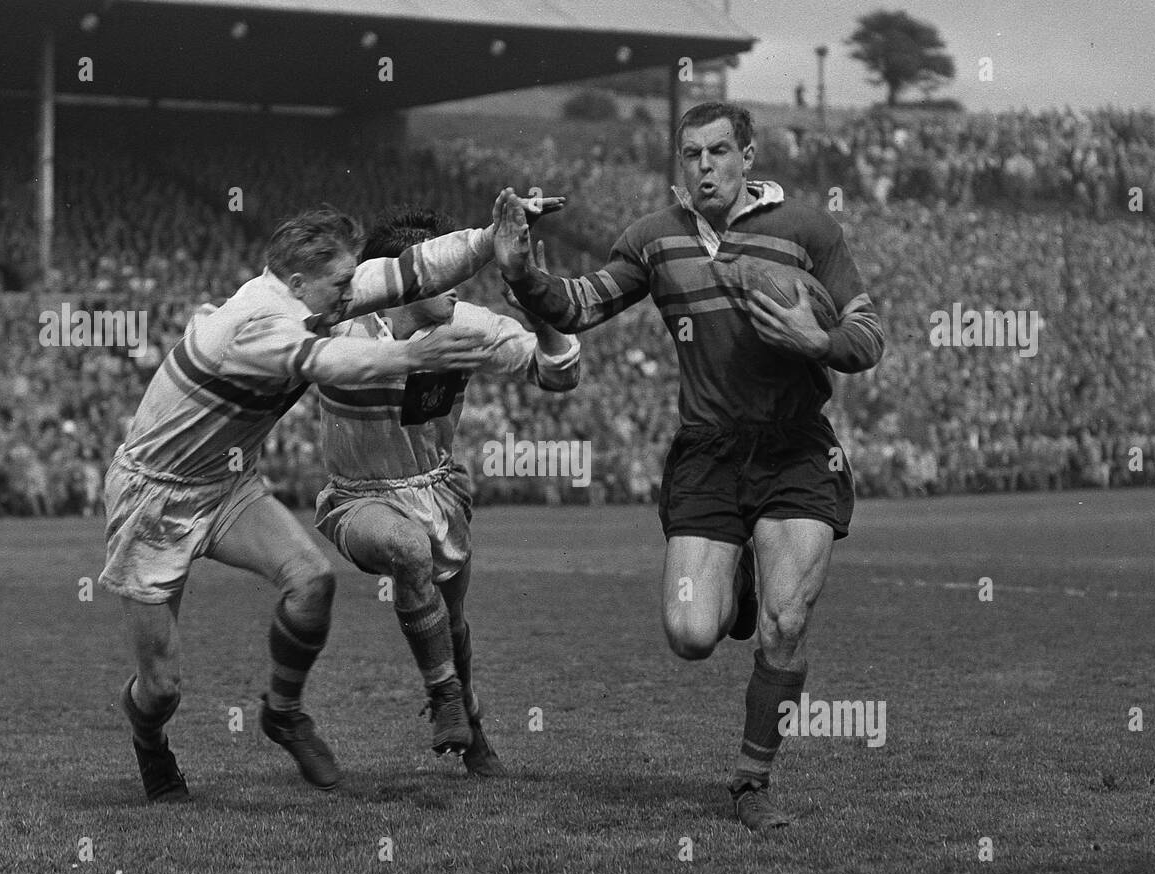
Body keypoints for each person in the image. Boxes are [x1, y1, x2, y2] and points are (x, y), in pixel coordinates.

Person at [494, 103, 885, 832]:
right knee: (690, 634)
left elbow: (867, 335)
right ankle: (734, 575)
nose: (703, 166)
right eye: (690, 155)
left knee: (786, 620)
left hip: (797, 447)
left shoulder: (808, 230)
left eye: (717, 152)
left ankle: (750, 782)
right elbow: (578, 305)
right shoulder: (654, 240)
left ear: (747, 155)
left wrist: (816, 338)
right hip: (707, 452)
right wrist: (522, 273)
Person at [100, 190, 558, 803]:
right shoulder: (259, 321)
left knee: (313, 582)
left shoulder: (314, 291)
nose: (352, 294)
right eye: (342, 282)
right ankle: (152, 746)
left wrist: (491, 237)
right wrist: (406, 354)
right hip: (154, 498)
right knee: (162, 689)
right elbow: (330, 362)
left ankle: (283, 711)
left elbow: (409, 270)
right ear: (297, 279)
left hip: (226, 484)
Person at [314, 208, 580, 774]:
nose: (456, 285)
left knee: (453, 628)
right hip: (358, 497)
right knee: (407, 549)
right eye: (442, 273)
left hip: (439, 493)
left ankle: (470, 725)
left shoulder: (468, 326)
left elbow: (560, 374)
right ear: (412, 280)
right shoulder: (340, 326)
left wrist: (544, 314)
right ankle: (443, 697)